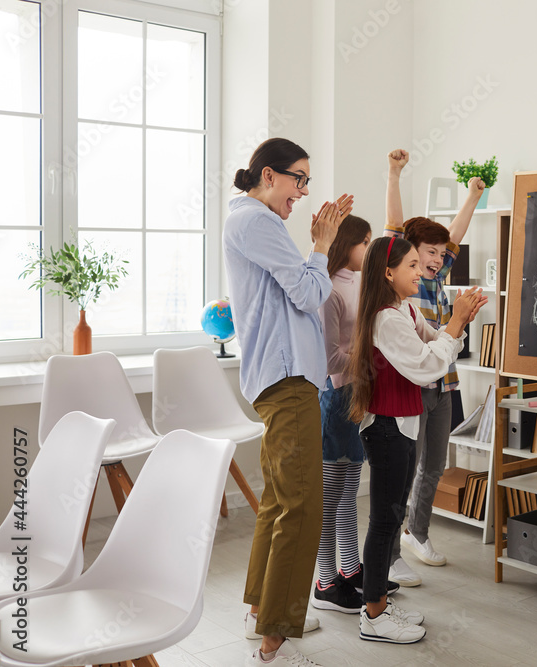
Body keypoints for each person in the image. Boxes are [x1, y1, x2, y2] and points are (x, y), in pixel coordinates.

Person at [224, 137, 352, 667]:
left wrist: (314, 253)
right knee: (302, 503)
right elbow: (307, 294)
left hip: (282, 376)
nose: (303, 192)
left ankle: (261, 611)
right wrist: (321, 245)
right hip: (287, 379)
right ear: (268, 175)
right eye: (298, 179)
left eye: (307, 181)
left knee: (279, 500)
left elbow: (295, 289)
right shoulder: (257, 221)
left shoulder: (253, 221)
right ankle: (278, 638)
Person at [347, 236, 486, 643]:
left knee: (393, 521)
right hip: (387, 429)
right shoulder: (386, 318)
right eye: (411, 265)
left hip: (403, 425)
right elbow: (426, 367)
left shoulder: (405, 308)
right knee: (384, 523)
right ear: (388, 273)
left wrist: (457, 324)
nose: (421, 271)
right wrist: (456, 326)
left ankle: (379, 605)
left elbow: (433, 342)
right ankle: (373, 615)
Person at [383, 148, 486, 586]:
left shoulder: (440, 277)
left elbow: (454, 235)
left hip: (445, 382)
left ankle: (417, 533)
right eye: (430, 252)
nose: (439, 258)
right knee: (405, 468)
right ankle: (388, 555)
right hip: (415, 384)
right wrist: (394, 174)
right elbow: (394, 227)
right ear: (410, 253)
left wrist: (473, 195)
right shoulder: (405, 279)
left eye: (442, 254)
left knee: (434, 465)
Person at [312, 214, 399, 613]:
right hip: (337, 395)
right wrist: (369, 359)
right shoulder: (328, 290)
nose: (370, 248)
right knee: (332, 497)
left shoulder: (359, 282)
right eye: (365, 241)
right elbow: (330, 357)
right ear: (346, 243)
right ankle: (324, 581)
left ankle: (350, 569)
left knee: (349, 493)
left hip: (358, 394)